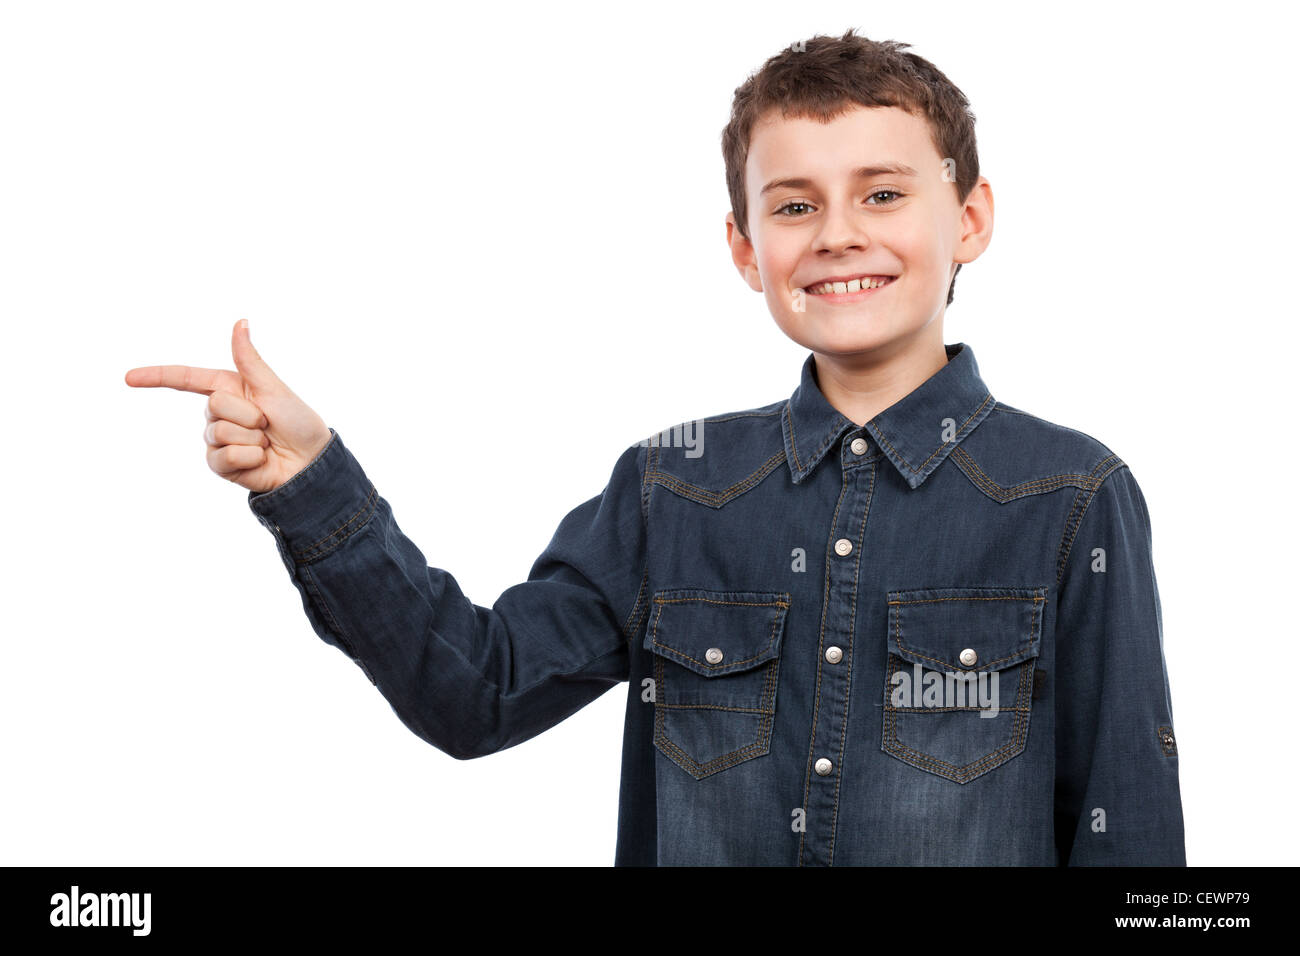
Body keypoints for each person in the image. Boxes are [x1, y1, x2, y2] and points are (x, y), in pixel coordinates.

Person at [125, 29, 1185, 866]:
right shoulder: (671, 485)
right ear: (743, 247)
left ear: (971, 218)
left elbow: (1126, 824)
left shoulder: (1071, 497)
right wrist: (312, 484)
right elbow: (475, 691)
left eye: (884, 192)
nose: (837, 234)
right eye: (793, 205)